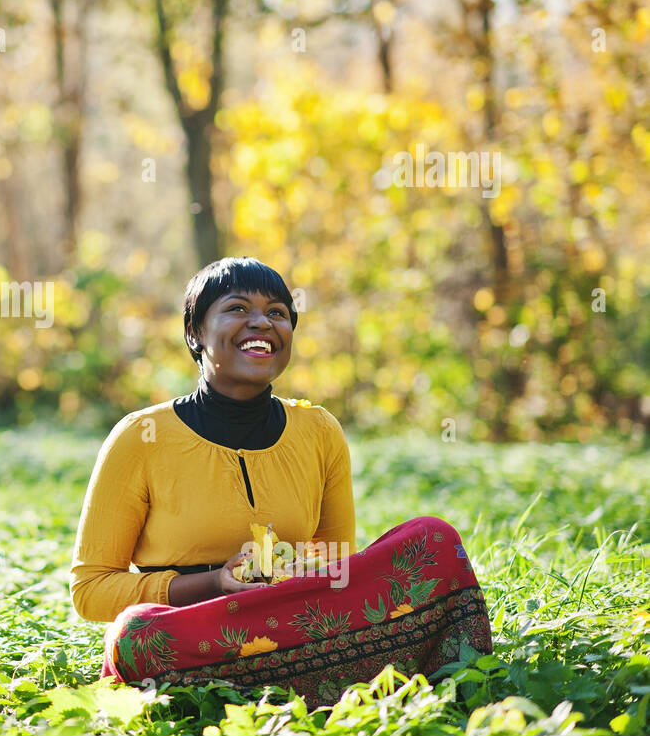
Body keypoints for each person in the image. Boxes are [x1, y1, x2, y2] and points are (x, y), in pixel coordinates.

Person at [69, 257, 492, 708]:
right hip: (198, 632)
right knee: (137, 632)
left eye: (277, 313)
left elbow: (339, 564)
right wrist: (216, 583)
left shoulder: (318, 429)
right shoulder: (140, 437)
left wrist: (287, 567)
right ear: (194, 332)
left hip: (295, 620)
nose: (261, 323)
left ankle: (318, 680)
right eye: (237, 309)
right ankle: (331, 681)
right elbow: (91, 589)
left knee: (433, 539)